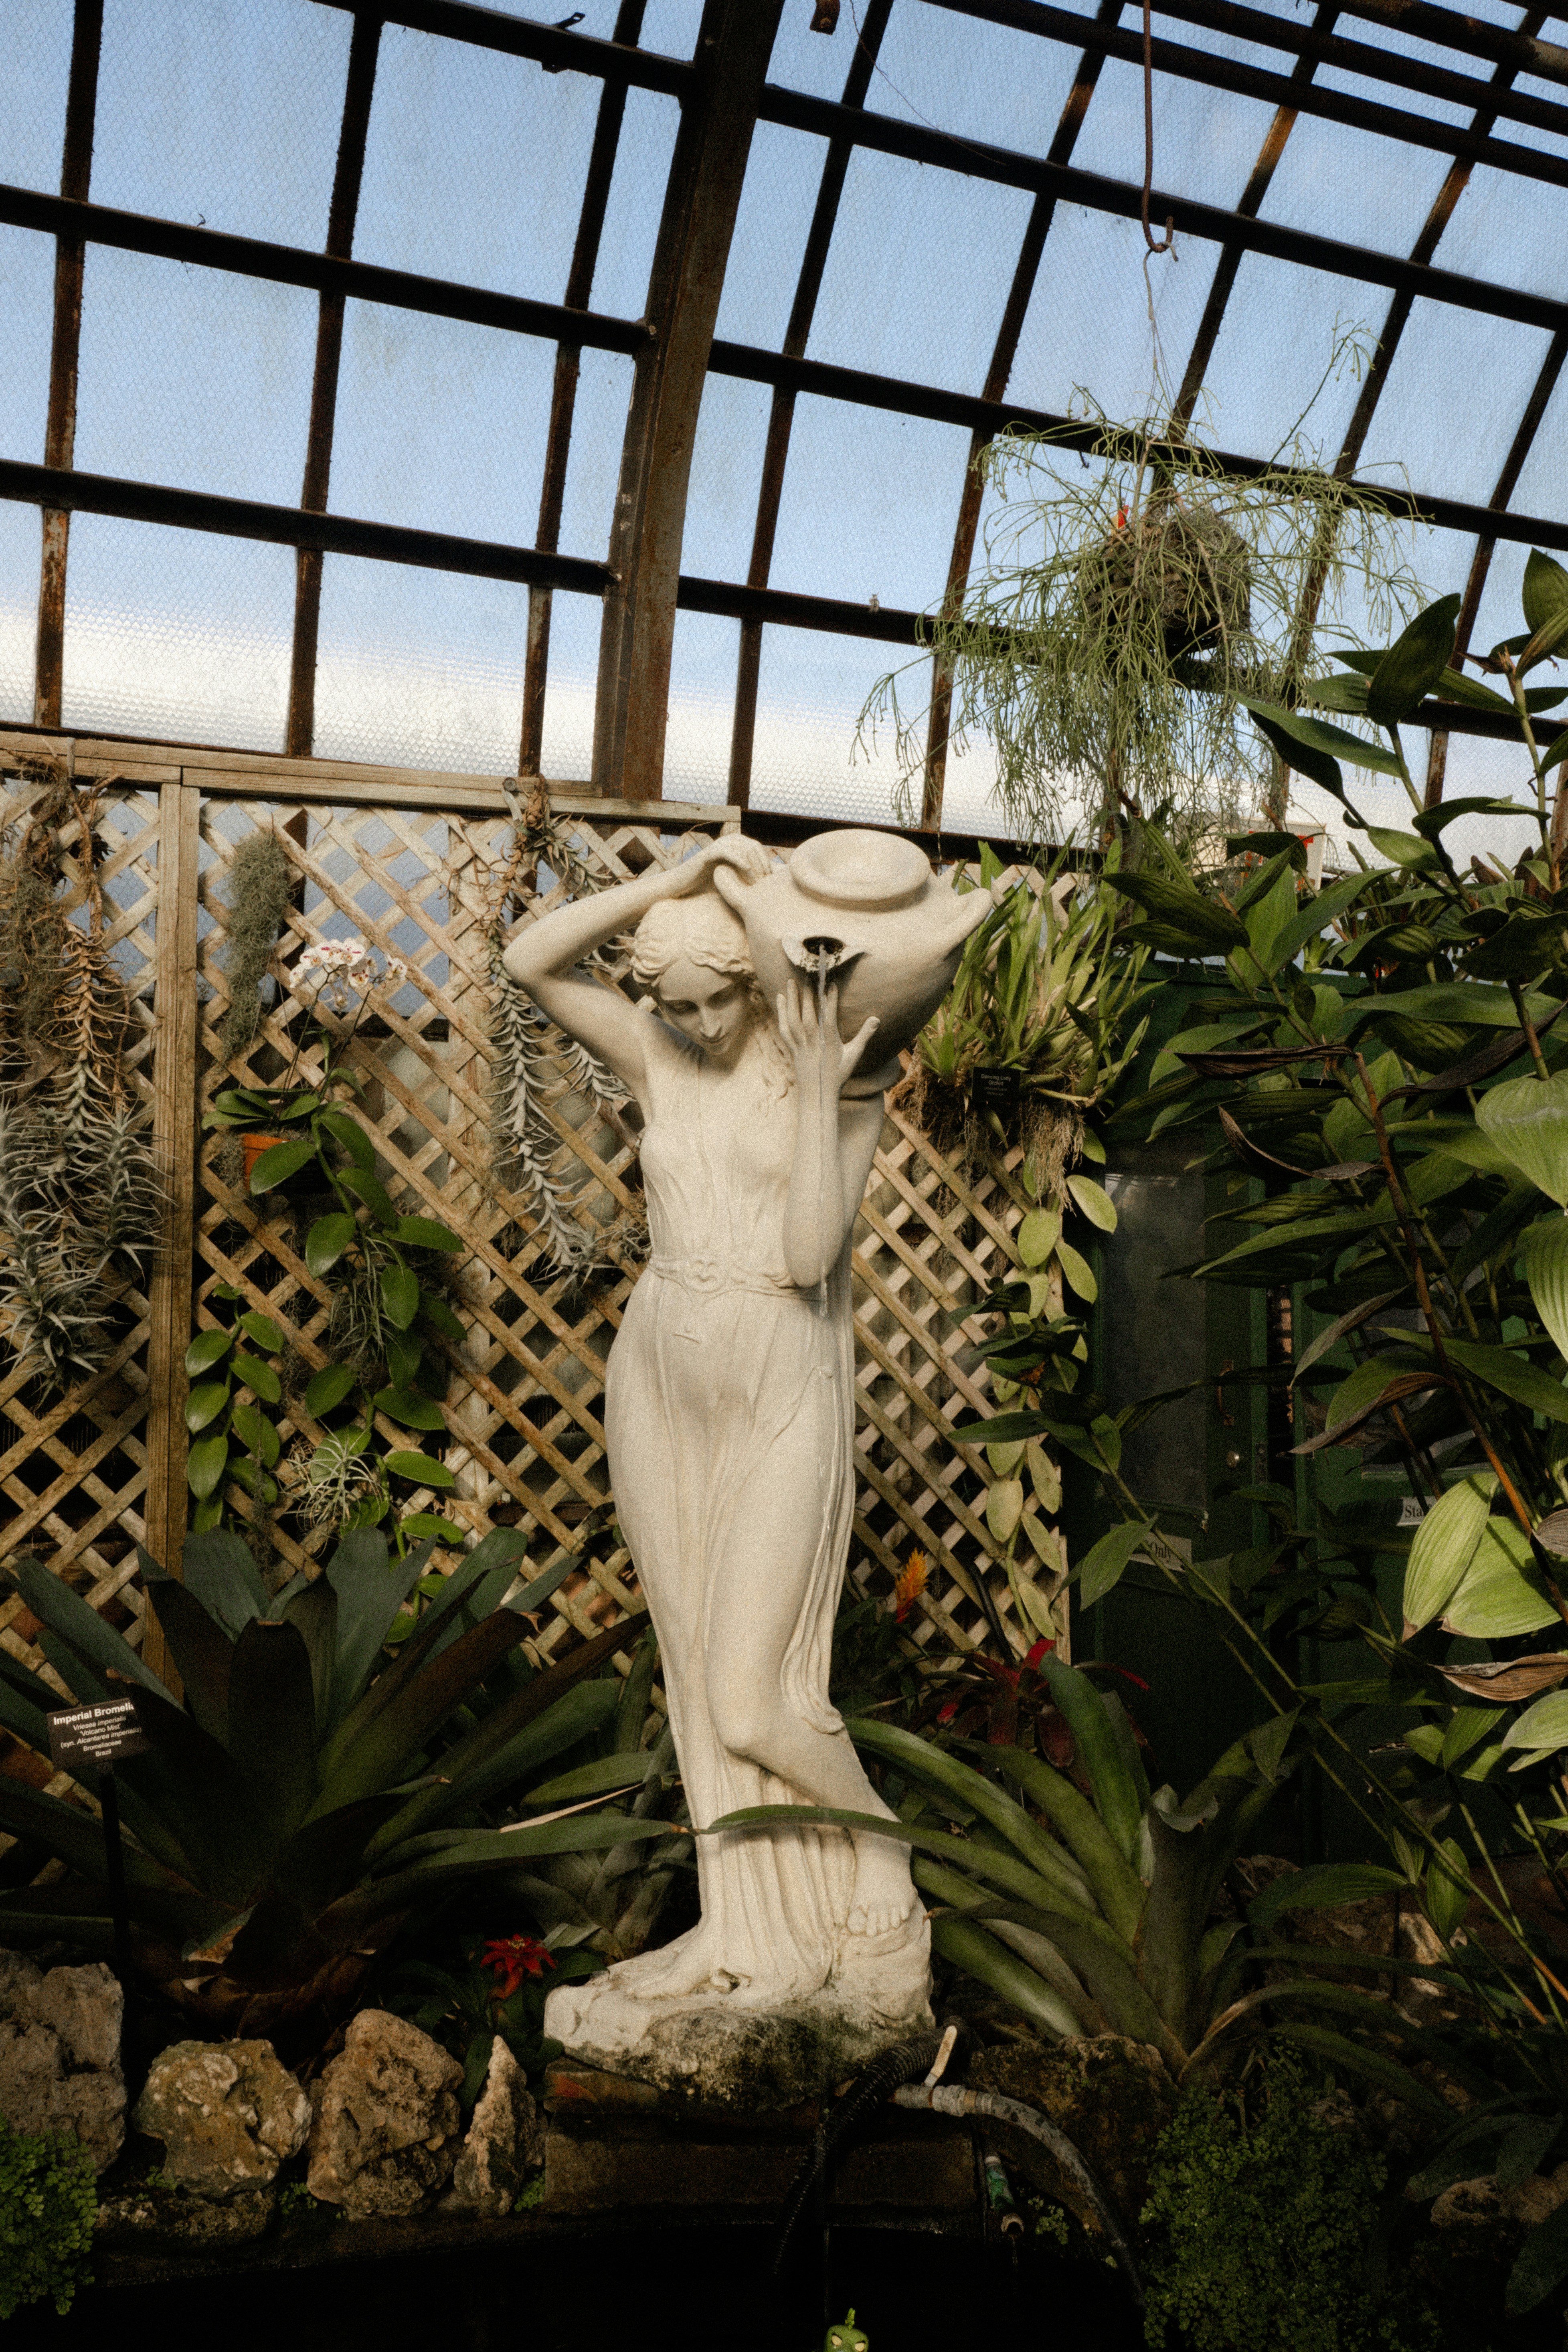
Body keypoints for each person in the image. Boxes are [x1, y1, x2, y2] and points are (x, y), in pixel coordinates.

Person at [502, 834, 926, 2021]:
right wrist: (674, 878)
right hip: (662, 1374)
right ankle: (740, 1927)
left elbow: (806, 1257)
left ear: (754, 981)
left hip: (777, 1375)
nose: (688, 1024)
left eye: (706, 1001)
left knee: (752, 1692)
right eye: (668, 1003)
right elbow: (528, 960)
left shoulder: (836, 1079)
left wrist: (809, 1079)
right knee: (696, 1676)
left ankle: (878, 1846)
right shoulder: (654, 1051)